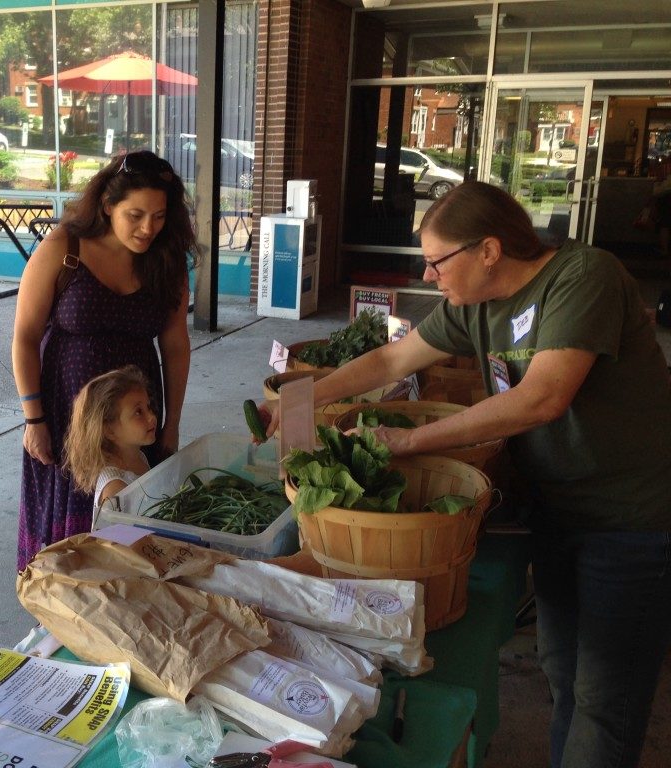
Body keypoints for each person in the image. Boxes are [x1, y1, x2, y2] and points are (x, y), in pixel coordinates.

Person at [261, 181, 671, 768]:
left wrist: (405, 440)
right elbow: (390, 359)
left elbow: (541, 399)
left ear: (489, 250)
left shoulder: (584, 277)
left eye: (436, 261)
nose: (428, 276)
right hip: (557, 510)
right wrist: (296, 401)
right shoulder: (473, 307)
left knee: (606, 695)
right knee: (563, 671)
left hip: (631, 519)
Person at [11, 150, 195, 571]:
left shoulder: (166, 261)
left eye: (160, 215)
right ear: (108, 205)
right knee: (67, 534)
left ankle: (119, 604)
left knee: (128, 526)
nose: (149, 228)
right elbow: (24, 337)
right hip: (64, 414)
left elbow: (176, 346)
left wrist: (171, 424)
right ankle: (61, 609)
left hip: (135, 416)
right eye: (135, 215)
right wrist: (33, 418)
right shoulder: (65, 246)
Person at [64, 365, 157, 512]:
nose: (151, 417)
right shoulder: (115, 488)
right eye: (138, 412)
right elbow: (116, 535)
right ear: (109, 429)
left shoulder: (138, 456)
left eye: (148, 407)